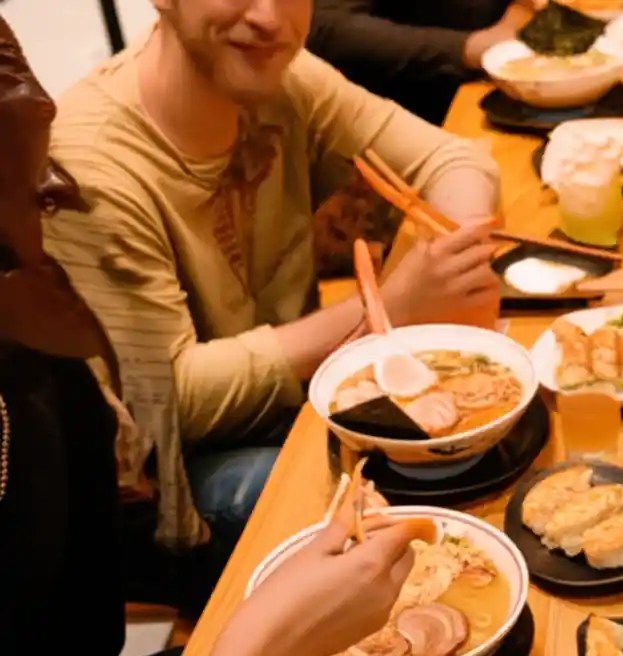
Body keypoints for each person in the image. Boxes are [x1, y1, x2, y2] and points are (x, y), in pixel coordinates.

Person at [0, 16, 420, 656]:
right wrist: (267, 641)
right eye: (19, 181)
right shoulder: (97, 161)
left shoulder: (33, 359)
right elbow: (167, 415)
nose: (57, 188)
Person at [42, 0, 503, 554]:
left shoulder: (279, 69)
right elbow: (166, 401)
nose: (268, 17)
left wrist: (457, 259)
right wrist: (387, 307)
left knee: (492, 431)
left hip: (303, 402)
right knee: (422, 514)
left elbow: (453, 160)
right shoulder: (91, 167)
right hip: (175, 476)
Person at [307, 0, 534, 125]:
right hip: (415, 112)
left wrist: (518, 11)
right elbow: (328, 28)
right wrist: (468, 47)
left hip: (510, 79)